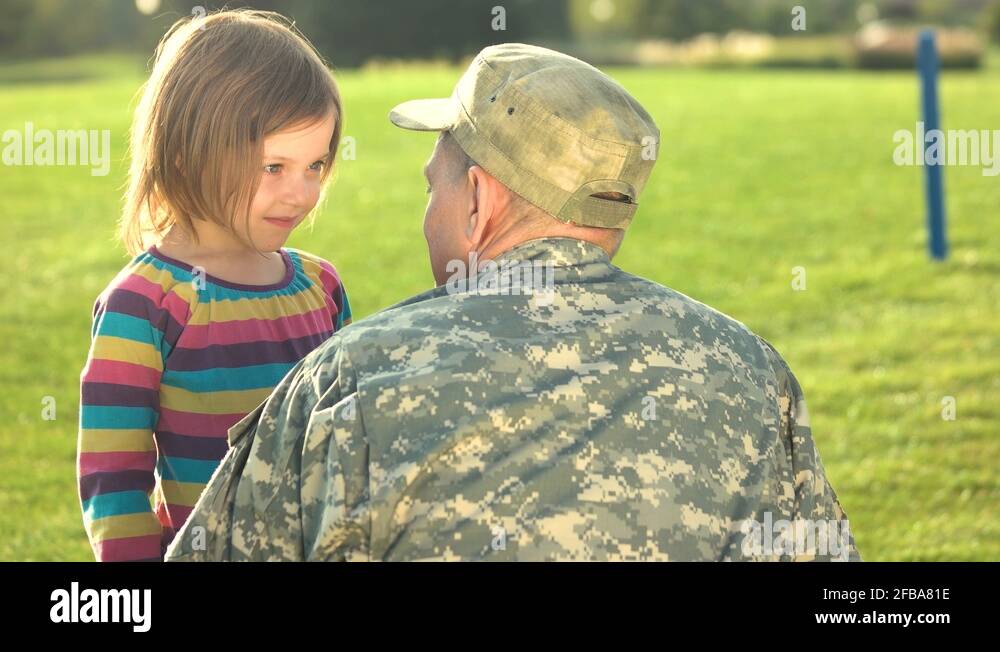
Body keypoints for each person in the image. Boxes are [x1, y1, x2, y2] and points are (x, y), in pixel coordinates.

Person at [166, 43, 860, 561]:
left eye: (432, 184)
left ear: (478, 201)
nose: (429, 207)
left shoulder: (345, 381)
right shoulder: (751, 371)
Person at [77, 9, 352, 561]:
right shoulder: (146, 303)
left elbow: (347, 438)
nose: (301, 193)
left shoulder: (321, 288)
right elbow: (114, 480)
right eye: (274, 167)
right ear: (188, 150)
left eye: (315, 165)